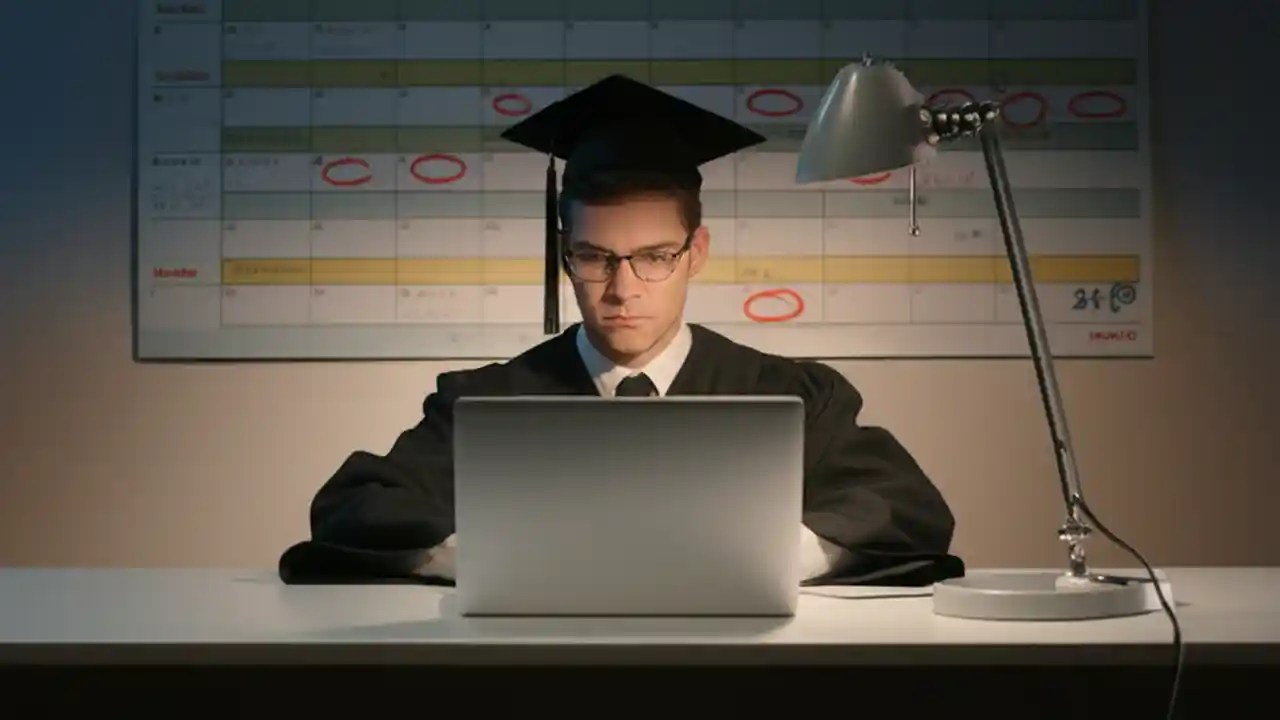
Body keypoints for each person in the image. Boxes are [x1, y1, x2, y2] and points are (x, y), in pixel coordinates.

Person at [278, 75, 962, 587]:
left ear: (695, 252)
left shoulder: (789, 392)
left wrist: (778, 560)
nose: (622, 288)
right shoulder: (489, 400)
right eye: (594, 256)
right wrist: (489, 562)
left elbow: (902, 506)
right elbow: (356, 509)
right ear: (563, 252)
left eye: (655, 257)